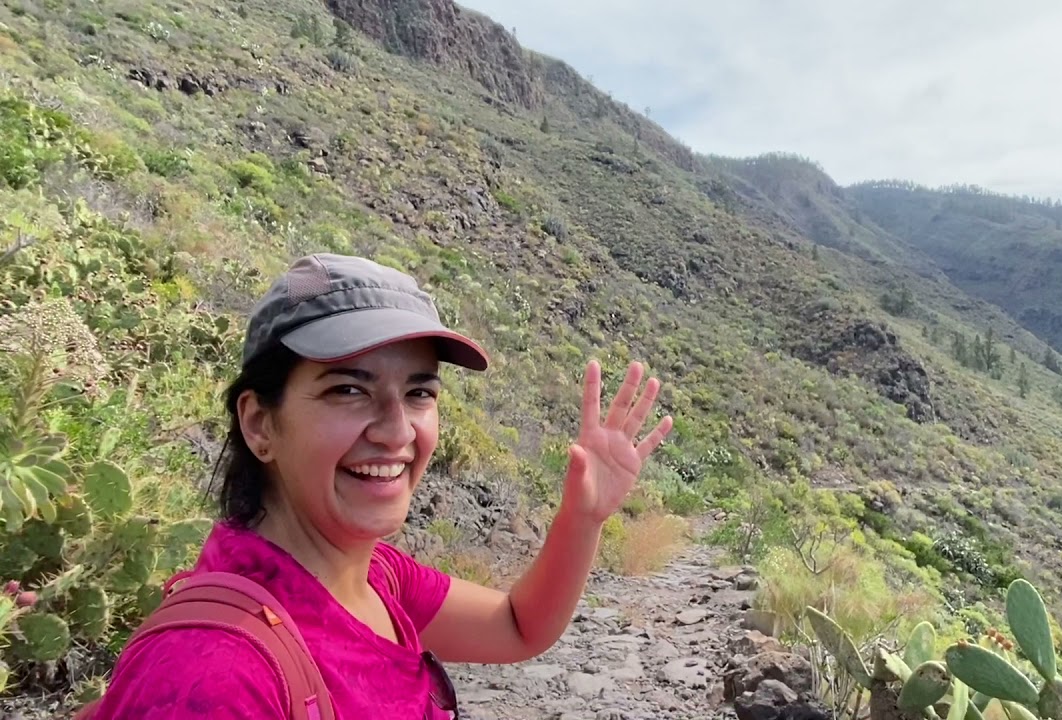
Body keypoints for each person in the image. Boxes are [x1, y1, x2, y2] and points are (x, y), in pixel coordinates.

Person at [87, 253, 674, 718]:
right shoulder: (214, 675)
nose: (397, 431)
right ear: (260, 423)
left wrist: (583, 515)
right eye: (348, 389)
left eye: (419, 392)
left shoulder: (374, 577)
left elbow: (517, 627)